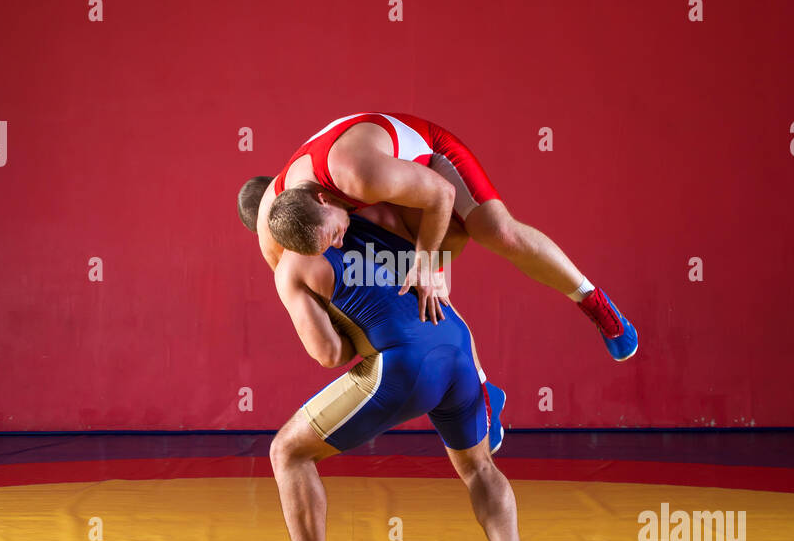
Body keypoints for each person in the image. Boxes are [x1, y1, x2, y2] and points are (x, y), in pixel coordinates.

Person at [248, 200, 550, 541]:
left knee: (288, 452)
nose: (334, 240)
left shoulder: (292, 267)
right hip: (457, 344)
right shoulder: (378, 213)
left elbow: (329, 355)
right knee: (479, 467)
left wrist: (354, 320)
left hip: (406, 365)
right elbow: (439, 211)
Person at [241, 112, 637, 359]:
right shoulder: (270, 229)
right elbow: (301, 289)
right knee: (396, 277)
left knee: (495, 232)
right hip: (386, 191)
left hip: (431, 159)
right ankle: (478, 391)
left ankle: (594, 302)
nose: (338, 243)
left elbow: (441, 193)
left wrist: (429, 264)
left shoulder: (359, 175)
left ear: (324, 199)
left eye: (332, 234)